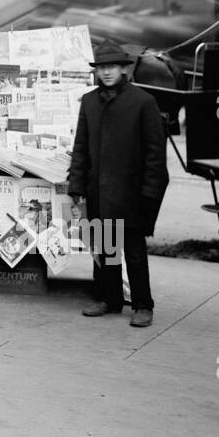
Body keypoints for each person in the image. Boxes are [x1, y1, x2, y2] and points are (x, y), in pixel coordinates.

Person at [66, 40, 169, 328]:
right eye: (101, 68)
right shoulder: (89, 102)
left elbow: (155, 155)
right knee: (105, 248)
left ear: (124, 69)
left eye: (112, 67)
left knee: (134, 253)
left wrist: (149, 194)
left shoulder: (143, 102)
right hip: (99, 191)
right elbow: (81, 149)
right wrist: (77, 188)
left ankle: (142, 305)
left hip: (132, 194)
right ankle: (109, 299)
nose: (107, 73)